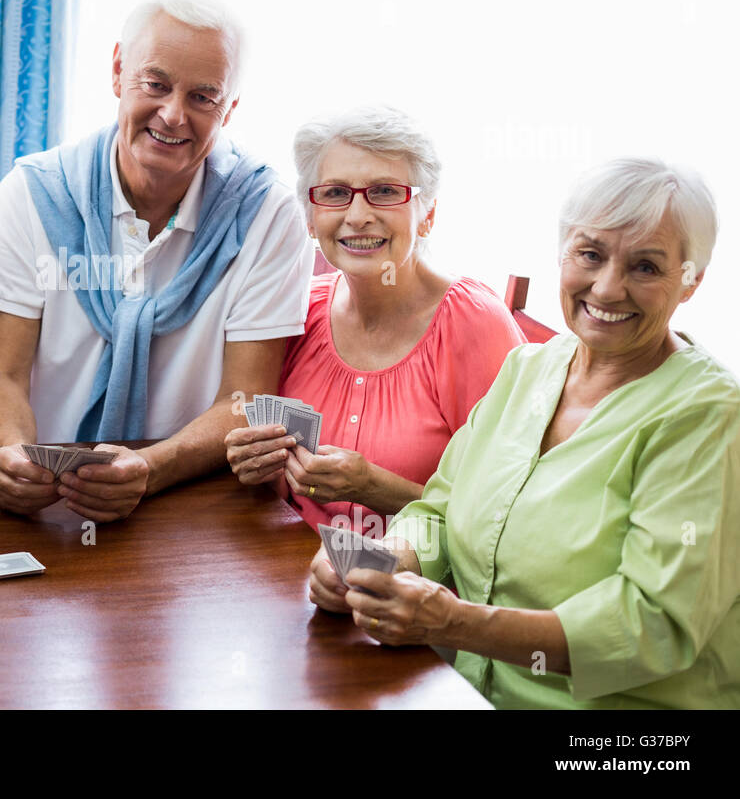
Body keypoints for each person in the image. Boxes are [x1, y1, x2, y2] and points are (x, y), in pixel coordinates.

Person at [309, 158, 739, 708]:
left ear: (691, 281)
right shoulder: (529, 369)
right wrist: (379, 562)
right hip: (464, 691)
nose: (607, 288)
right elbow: (439, 511)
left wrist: (455, 622)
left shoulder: (708, 415)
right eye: (590, 254)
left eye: (646, 267)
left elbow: (653, 625)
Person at [0, 0, 310, 523]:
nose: (173, 115)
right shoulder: (31, 193)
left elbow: (245, 398)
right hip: (47, 501)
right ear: (116, 71)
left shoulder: (268, 212)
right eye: (155, 84)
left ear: (231, 109)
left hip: (194, 501)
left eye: (203, 97)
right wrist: (11, 453)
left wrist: (150, 469)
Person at [224, 106, 525, 535]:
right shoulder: (299, 311)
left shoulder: (474, 324)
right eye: (334, 193)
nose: (359, 214)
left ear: (429, 214)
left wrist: (375, 488)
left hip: (418, 588)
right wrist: (257, 463)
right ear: (310, 219)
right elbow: (281, 486)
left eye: (384, 191)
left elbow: (508, 512)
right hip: (294, 572)